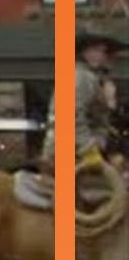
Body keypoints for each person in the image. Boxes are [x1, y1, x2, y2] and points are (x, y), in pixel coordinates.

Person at [41, 30, 127, 175]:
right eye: (102, 51)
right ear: (87, 53)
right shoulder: (81, 77)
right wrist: (90, 150)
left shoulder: (91, 78)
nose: (108, 57)